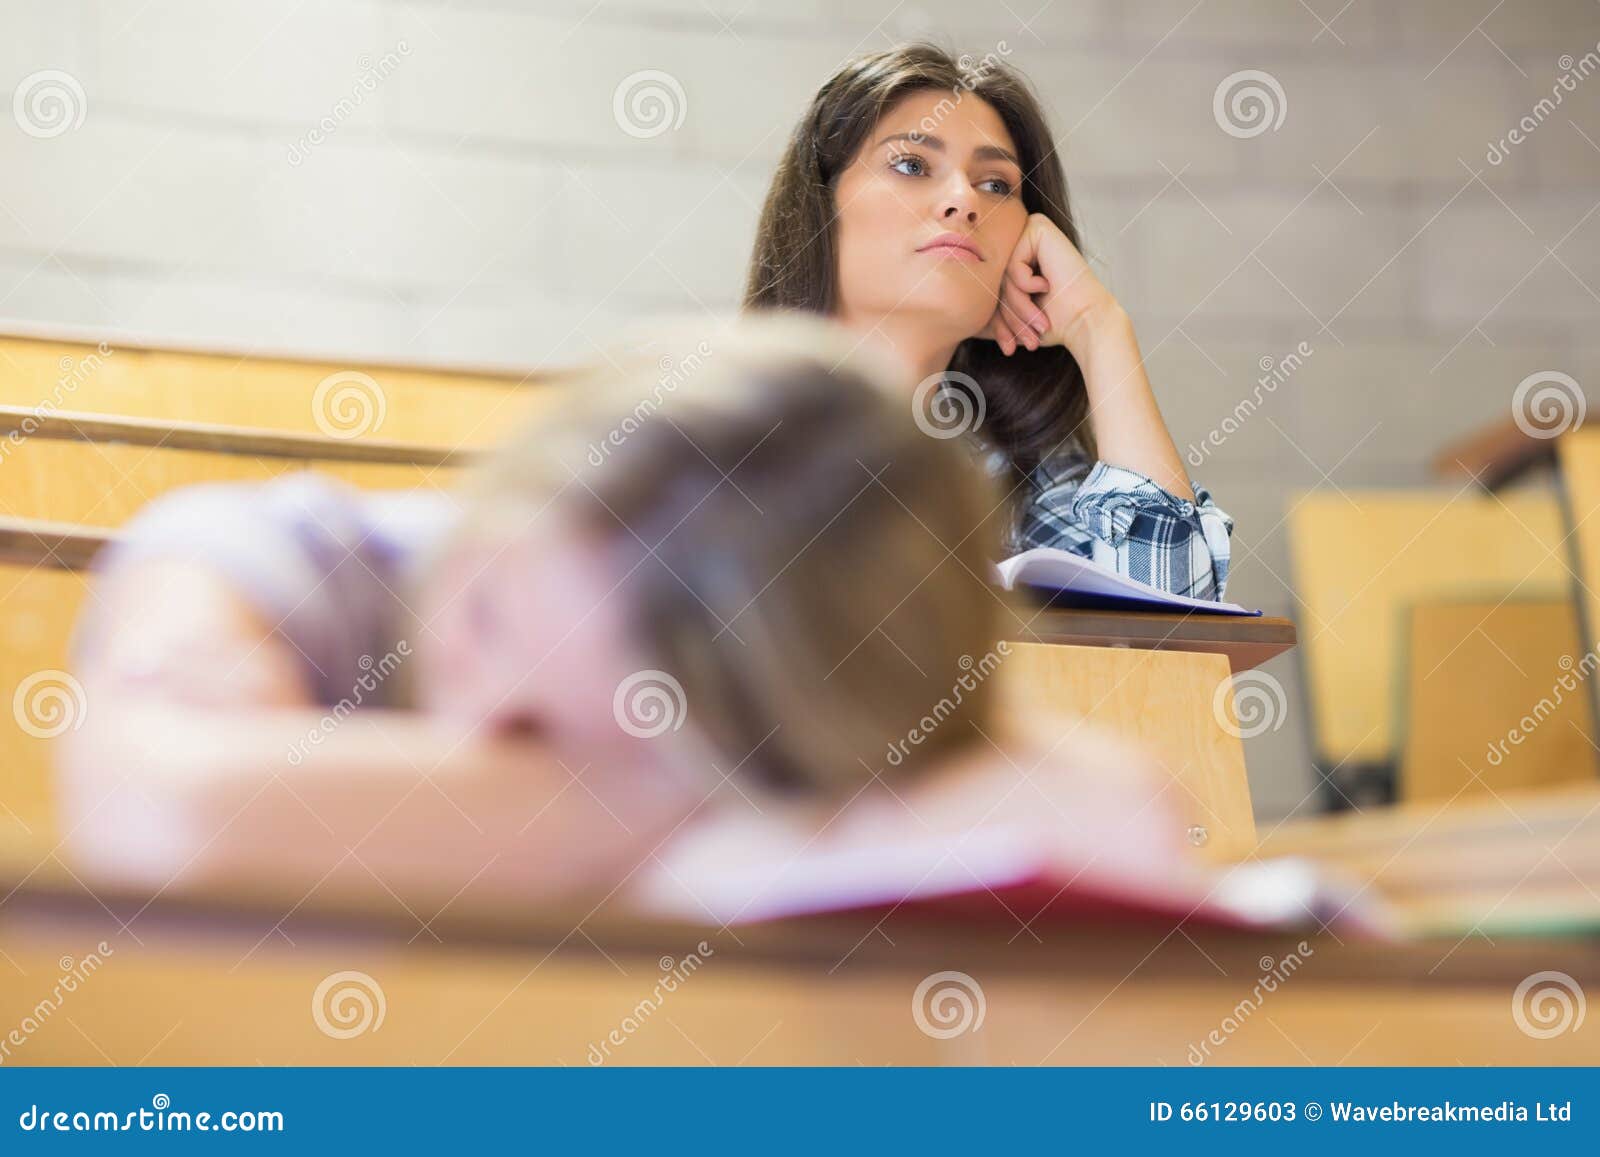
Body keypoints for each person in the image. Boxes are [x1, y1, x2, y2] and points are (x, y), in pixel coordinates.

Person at [58, 312, 1178, 913]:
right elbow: (169, 818)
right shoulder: (271, 555)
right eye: (487, 611)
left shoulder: (804, 685)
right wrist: (726, 790)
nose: (471, 717)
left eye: (548, 733)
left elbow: (1129, 807)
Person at [745, 42, 1235, 601]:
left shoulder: (1024, 472)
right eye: (911, 165)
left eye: (996, 184)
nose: (963, 199)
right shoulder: (713, 432)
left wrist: (1100, 329)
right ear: (819, 205)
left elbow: (1176, 635)